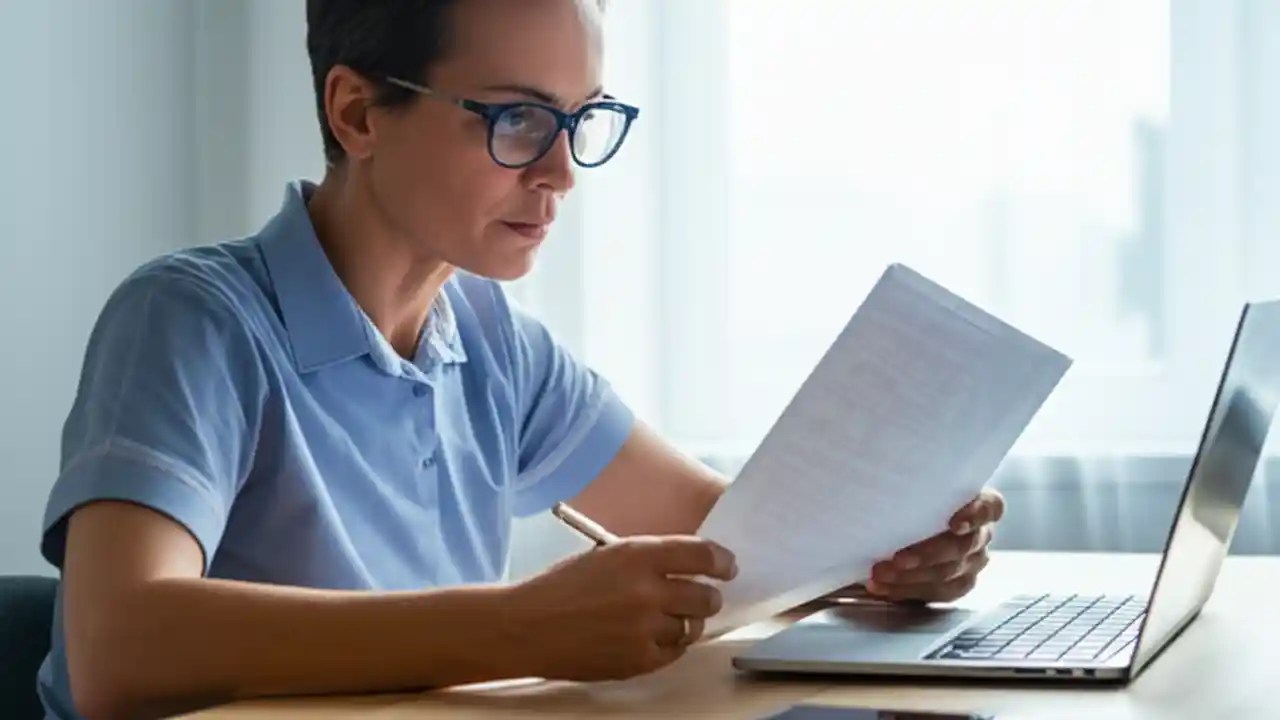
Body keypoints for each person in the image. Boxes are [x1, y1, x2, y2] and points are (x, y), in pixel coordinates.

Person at [36, 1, 1004, 718]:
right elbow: (122, 646)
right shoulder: (193, 318)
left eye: (580, 119)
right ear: (358, 113)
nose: (560, 173)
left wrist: (881, 561)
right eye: (515, 119)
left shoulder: (492, 340)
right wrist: (519, 626)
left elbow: (734, 541)